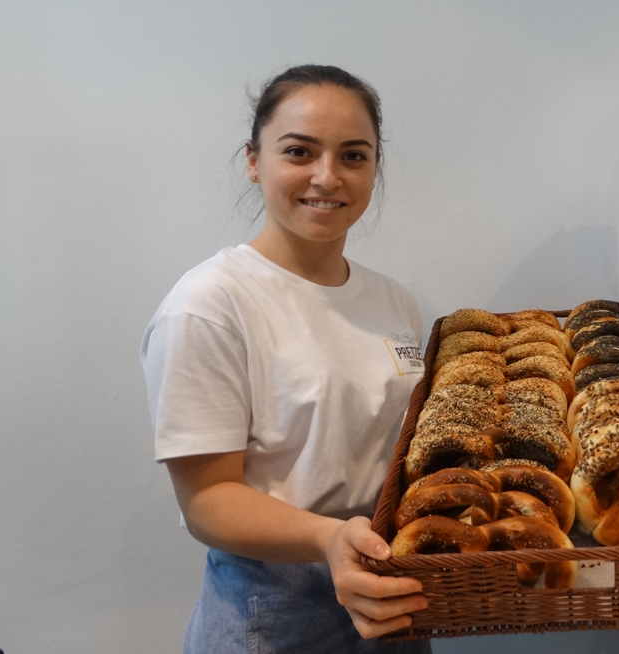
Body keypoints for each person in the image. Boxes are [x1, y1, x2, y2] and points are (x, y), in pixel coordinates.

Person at [141, 65, 431, 652]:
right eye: (299, 151)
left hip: (390, 597)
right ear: (254, 160)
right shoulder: (209, 304)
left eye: (353, 156)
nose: (327, 177)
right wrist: (329, 540)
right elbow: (206, 501)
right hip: (271, 615)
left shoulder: (394, 302)